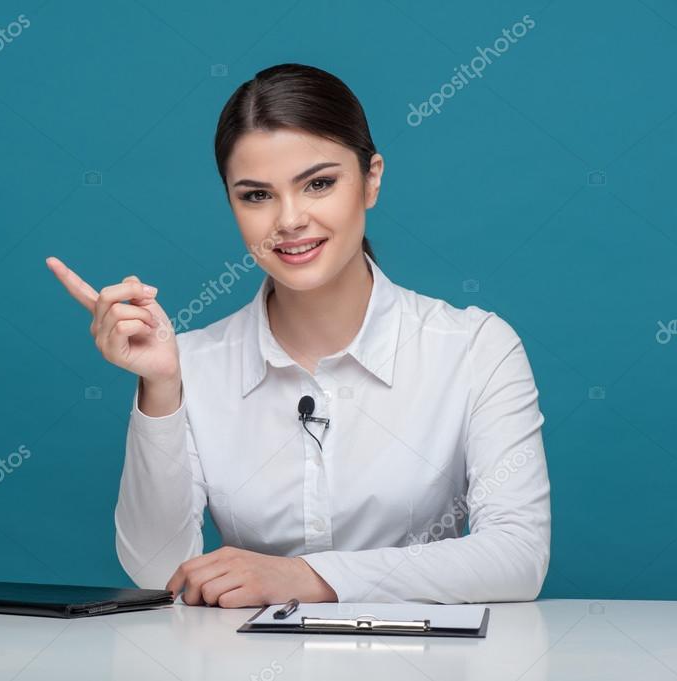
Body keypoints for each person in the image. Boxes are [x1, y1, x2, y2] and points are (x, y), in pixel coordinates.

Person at [46, 63, 550, 607]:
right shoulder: (195, 361)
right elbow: (155, 571)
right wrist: (162, 390)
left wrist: (309, 578)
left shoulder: (475, 346)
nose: (289, 220)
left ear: (372, 179)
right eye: (256, 196)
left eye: (319, 183)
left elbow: (516, 555)